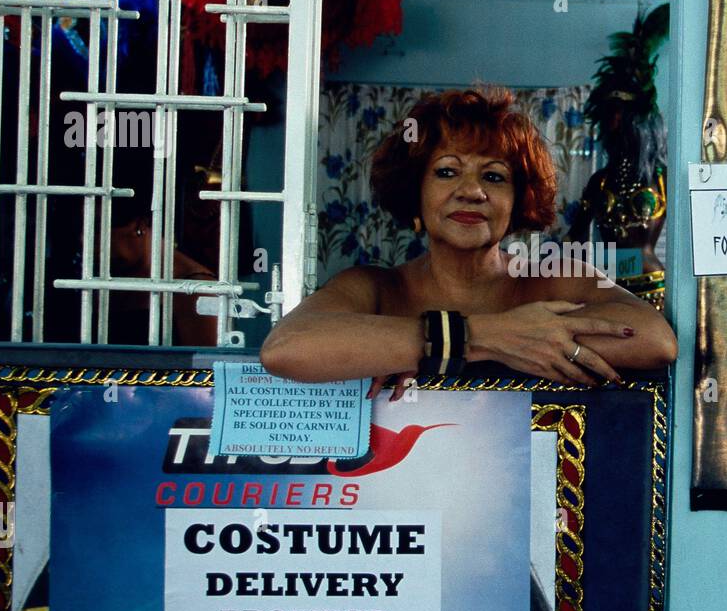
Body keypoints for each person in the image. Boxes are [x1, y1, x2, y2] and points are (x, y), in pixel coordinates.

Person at [261, 86, 678, 396]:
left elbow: (654, 341)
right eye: (447, 171)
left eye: (493, 177)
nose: (472, 191)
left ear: (518, 203)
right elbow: (286, 349)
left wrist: (408, 346)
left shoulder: (558, 276)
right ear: (414, 192)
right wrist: (484, 337)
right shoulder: (373, 287)